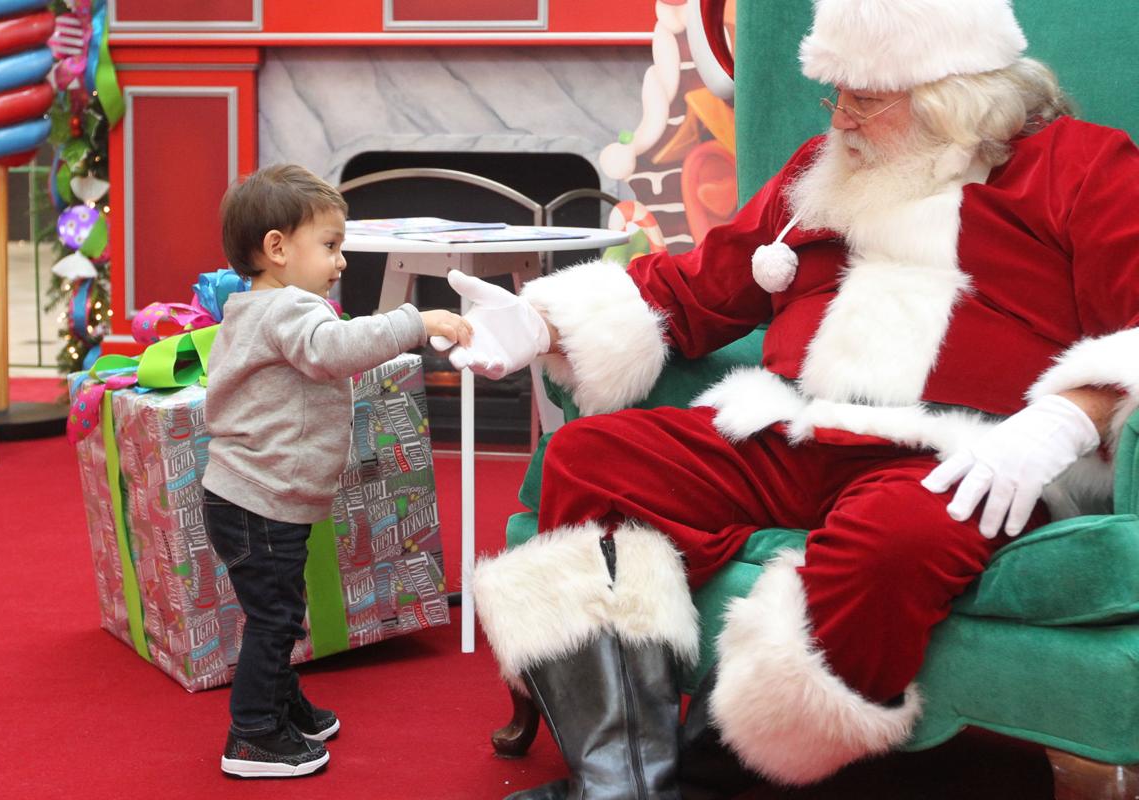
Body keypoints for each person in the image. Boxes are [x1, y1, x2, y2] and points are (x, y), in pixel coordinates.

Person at [432, 0, 1139, 796]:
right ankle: (622, 774)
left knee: (894, 547)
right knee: (591, 458)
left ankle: (722, 771)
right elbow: (697, 290)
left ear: (956, 93)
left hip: (965, 455)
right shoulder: (822, 170)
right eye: (832, 92)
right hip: (789, 434)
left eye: (864, 98)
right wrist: (538, 320)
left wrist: (1063, 421)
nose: (841, 117)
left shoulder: (1082, 165)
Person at [201, 164, 471, 778]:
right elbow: (333, 351)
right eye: (329, 246)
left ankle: (280, 701)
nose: (341, 261)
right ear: (276, 248)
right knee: (275, 617)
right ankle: (252, 735)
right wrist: (416, 321)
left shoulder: (257, 308)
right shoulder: (291, 309)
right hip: (261, 499)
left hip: (249, 496)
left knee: (277, 609)